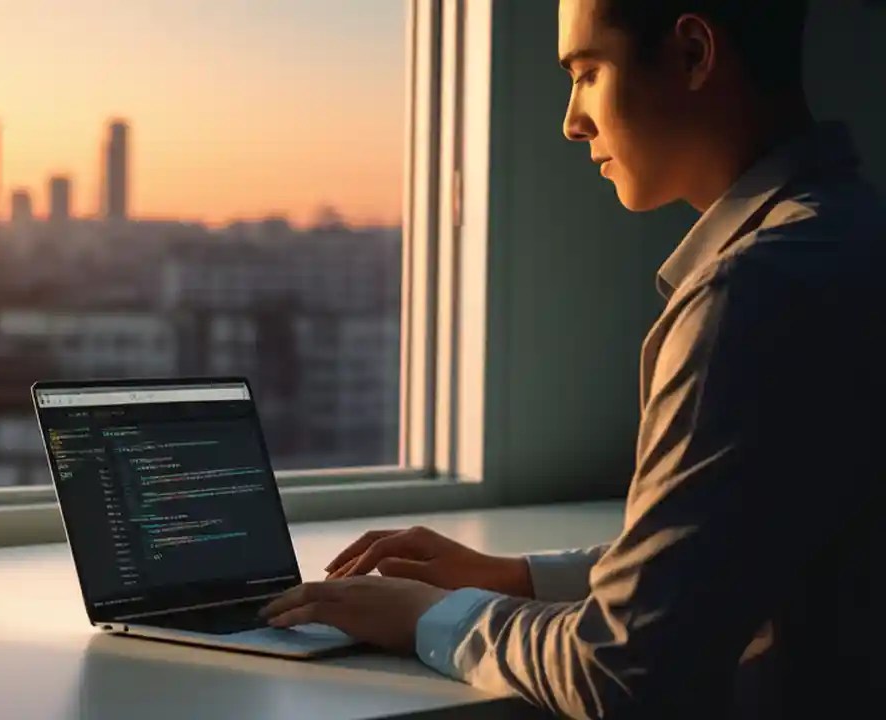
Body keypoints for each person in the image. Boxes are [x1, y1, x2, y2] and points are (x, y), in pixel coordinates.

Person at [261, 0, 884, 716]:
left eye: (588, 73)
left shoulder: (754, 291)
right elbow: (738, 555)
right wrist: (513, 577)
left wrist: (426, 617)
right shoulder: (849, 237)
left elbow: (624, 670)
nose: (571, 120)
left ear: (691, 55)